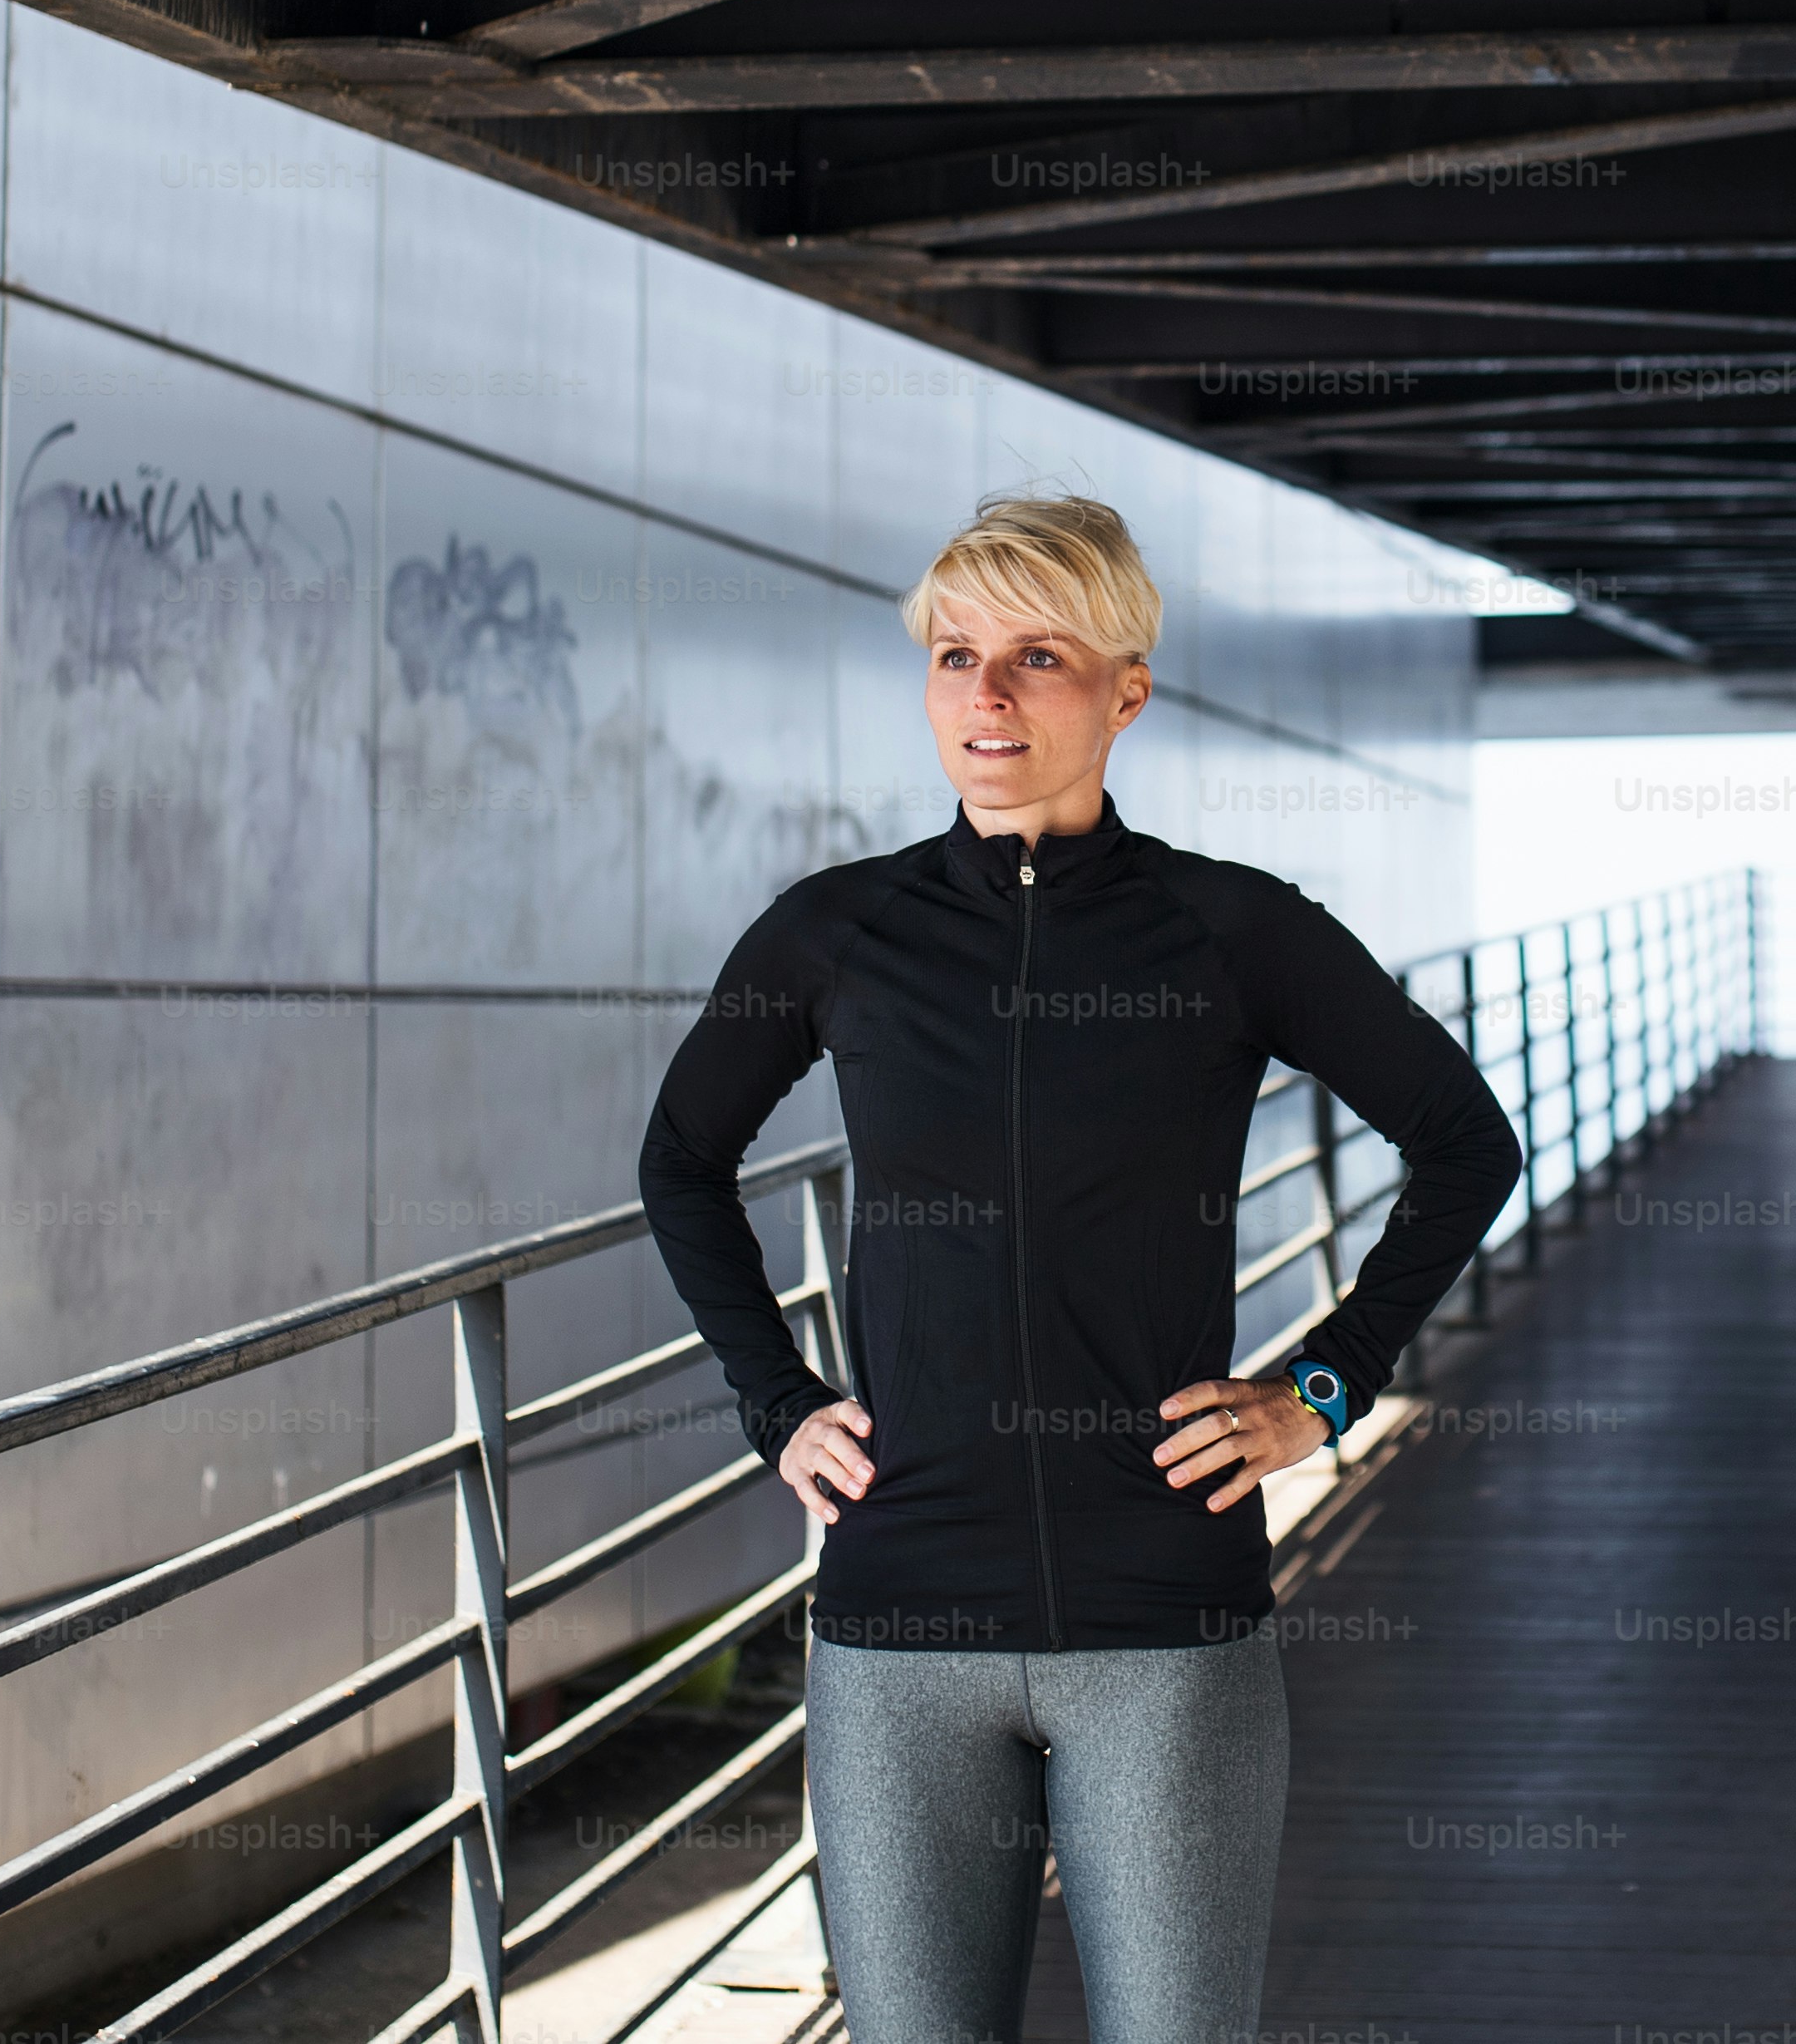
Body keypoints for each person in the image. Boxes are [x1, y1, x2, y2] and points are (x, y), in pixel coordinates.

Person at [637, 491, 1520, 2044]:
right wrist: (776, 1403)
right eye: (956, 654)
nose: (986, 697)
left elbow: (1463, 1141)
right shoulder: (837, 935)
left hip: (1164, 1621)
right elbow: (680, 1162)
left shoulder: (1232, 930)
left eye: (1038, 657)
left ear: (1126, 691)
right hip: (901, 1623)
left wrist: (1321, 1387)